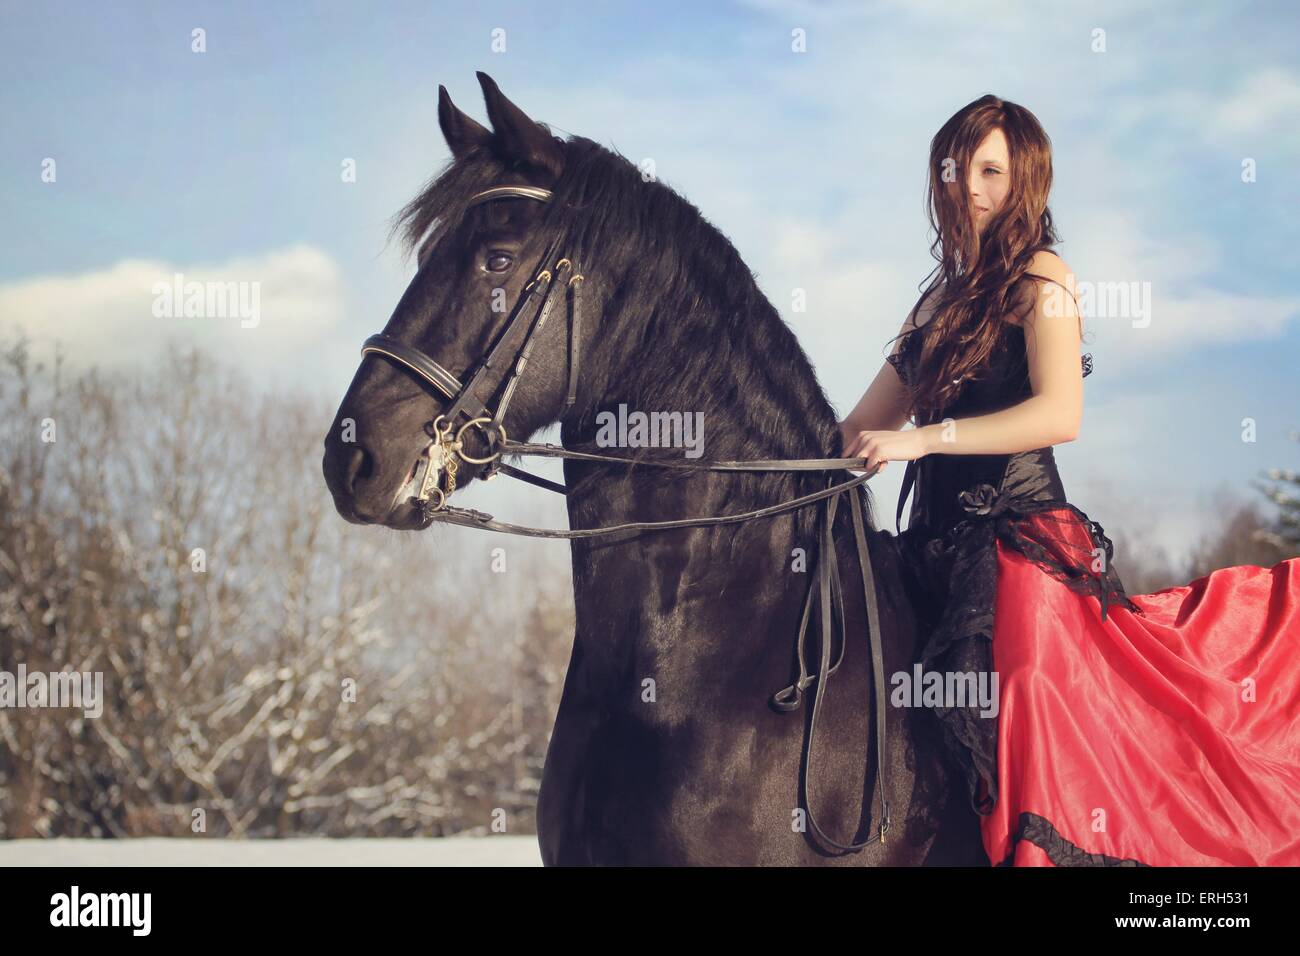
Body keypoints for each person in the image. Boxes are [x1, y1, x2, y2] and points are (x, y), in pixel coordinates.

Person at [838, 94, 1300, 866]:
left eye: (989, 171)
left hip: (1020, 538)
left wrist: (923, 440)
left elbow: (1059, 413)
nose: (968, 188)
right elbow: (855, 431)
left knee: (1025, 692)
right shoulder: (933, 304)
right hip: (929, 545)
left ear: (1025, 182)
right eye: (954, 171)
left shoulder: (1042, 276)